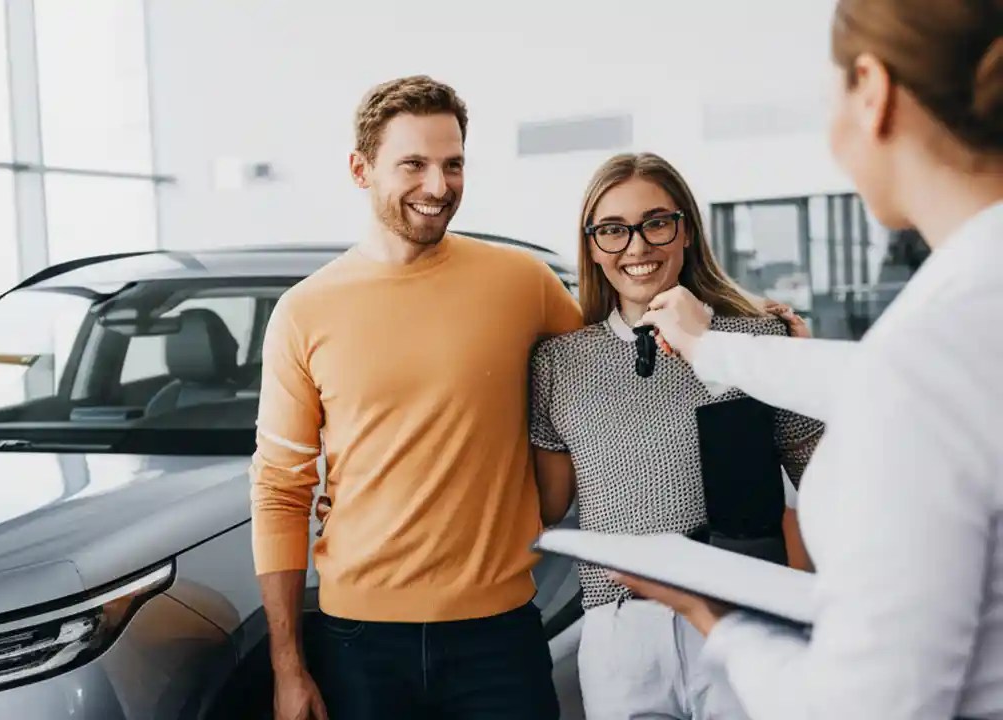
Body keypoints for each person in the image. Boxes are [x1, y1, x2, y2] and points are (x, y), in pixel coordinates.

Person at [614, 1, 1003, 718]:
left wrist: (718, 620)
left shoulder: (931, 347)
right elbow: (880, 378)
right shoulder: (958, 324)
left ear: (872, 90)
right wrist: (710, 346)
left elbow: (870, 708)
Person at [249, 75, 584, 720]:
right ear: (361, 169)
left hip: (498, 635)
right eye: (413, 164)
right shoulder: (304, 311)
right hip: (359, 641)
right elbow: (279, 492)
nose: (438, 186)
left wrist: (736, 324)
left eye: (452, 164)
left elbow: (615, 373)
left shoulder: (523, 283)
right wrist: (287, 668)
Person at [529, 152, 824, 720]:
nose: (637, 247)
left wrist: (801, 372)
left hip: (742, 614)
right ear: (593, 247)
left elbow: (825, 481)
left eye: (656, 223)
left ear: (686, 230)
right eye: (613, 230)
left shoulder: (758, 342)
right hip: (621, 632)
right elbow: (547, 505)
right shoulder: (559, 363)